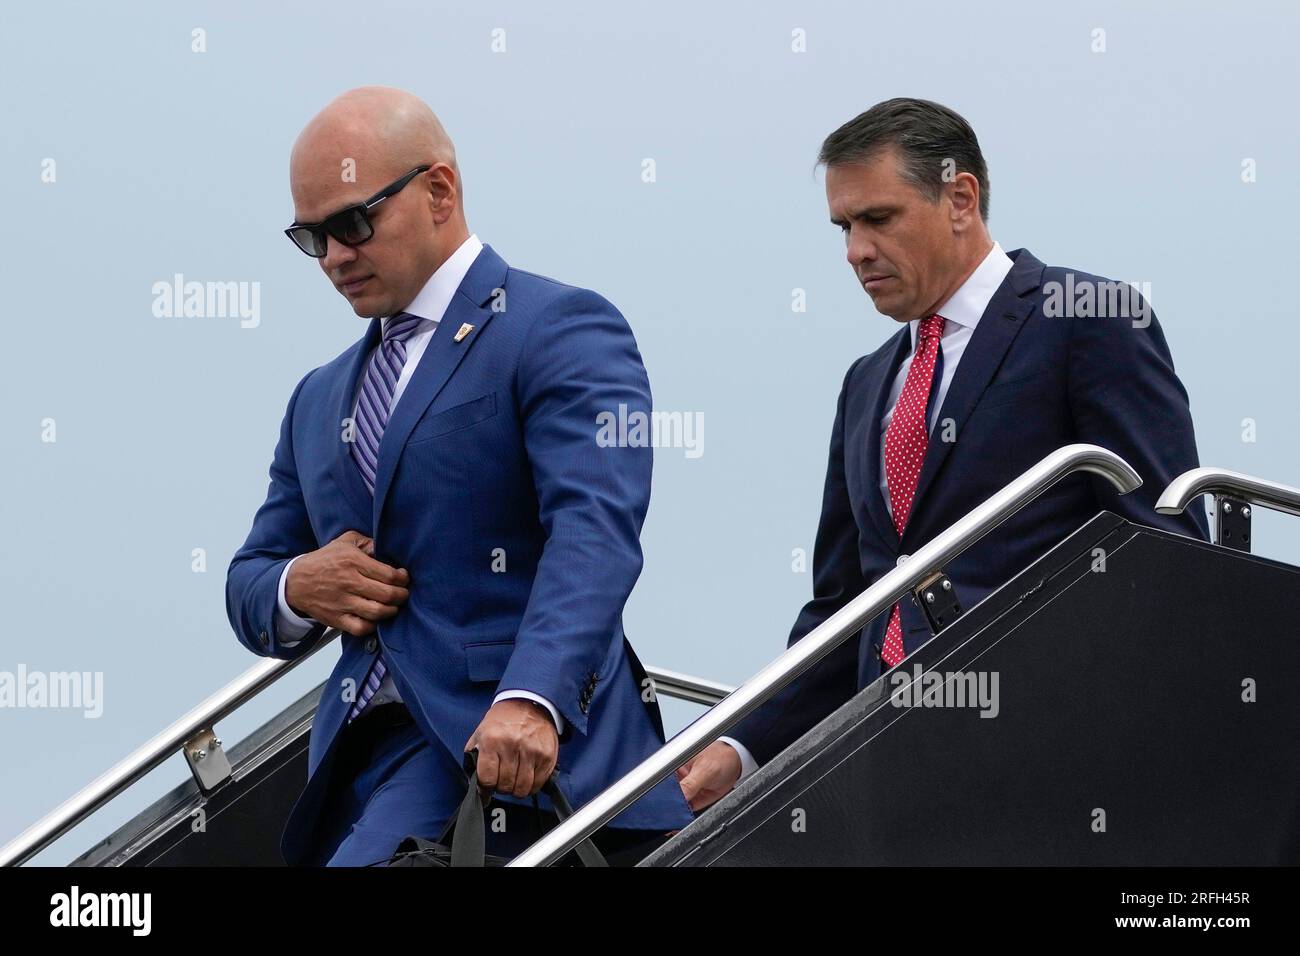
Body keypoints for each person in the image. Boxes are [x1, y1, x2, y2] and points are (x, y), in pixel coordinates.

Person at [677, 97, 1210, 810]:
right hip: (885, 769)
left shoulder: (1087, 319)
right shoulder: (867, 383)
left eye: (878, 218)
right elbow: (844, 607)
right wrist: (741, 746)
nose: (855, 251)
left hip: (1044, 756)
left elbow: (1165, 548)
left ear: (961, 197)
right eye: (843, 226)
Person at [226, 86, 692, 866]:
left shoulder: (559, 327)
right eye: (313, 238)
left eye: (352, 222)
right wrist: (299, 585)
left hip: (503, 749)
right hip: (357, 769)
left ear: (439, 190)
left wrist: (532, 695)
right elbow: (249, 580)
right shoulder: (316, 398)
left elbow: (594, 532)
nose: (336, 255)